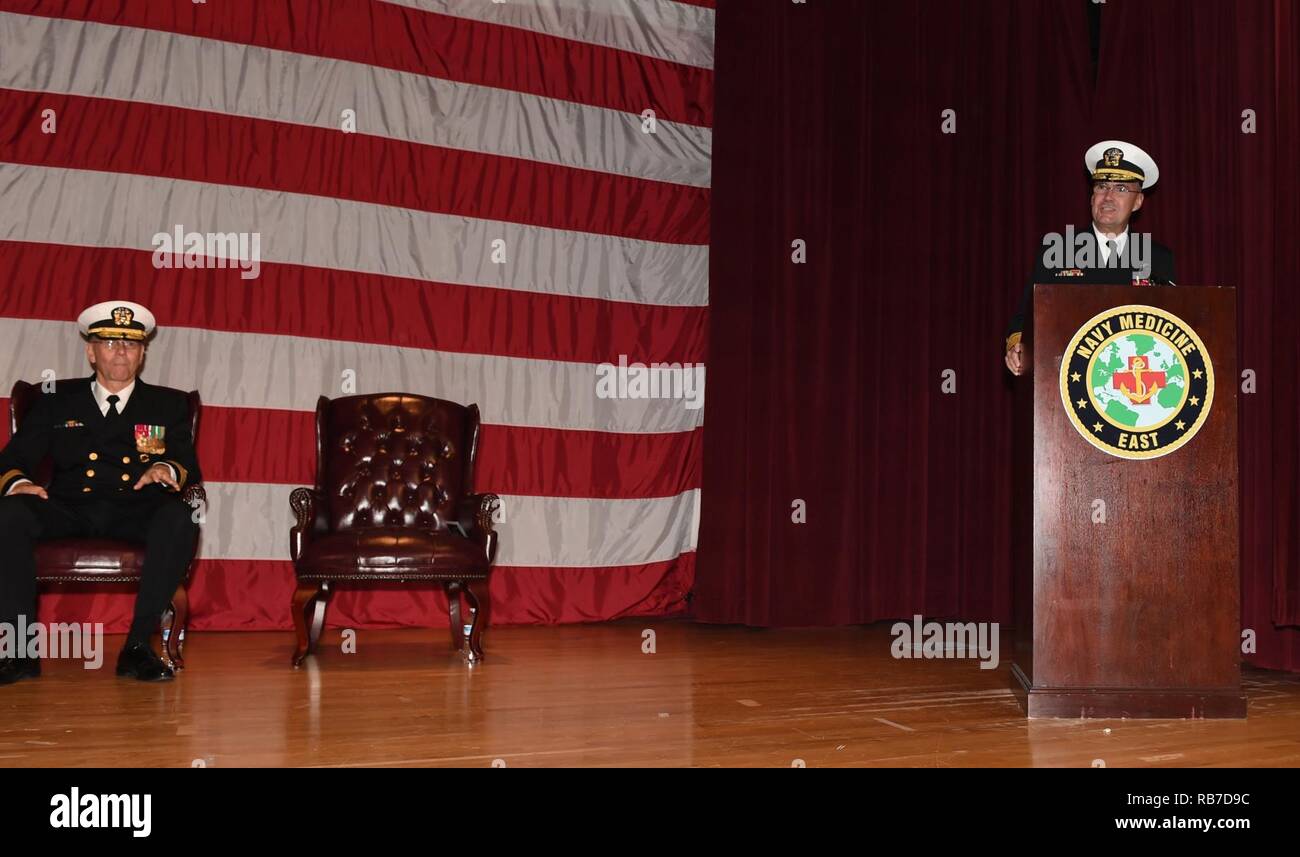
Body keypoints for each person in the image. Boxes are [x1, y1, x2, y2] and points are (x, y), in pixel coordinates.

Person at [0, 301, 202, 684]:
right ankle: (19, 651)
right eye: (109, 342)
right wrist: (18, 483)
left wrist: (166, 468)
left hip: (137, 508)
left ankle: (138, 648)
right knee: (9, 514)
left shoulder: (167, 404)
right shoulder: (56, 400)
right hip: (68, 506)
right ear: (90, 352)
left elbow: (187, 464)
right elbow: (12, 459)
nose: (121, 351)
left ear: (143, 353)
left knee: (181, 517)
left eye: (130, 343)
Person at [1005, 140, 1176, 375]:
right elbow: (1025, 317)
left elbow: (1170, 327)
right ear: (1091, 196)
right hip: (1064, 378)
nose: (1108, 197)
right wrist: (1017, 347)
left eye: (1121, 189)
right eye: (1101, 186)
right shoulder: (1057, 250)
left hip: (1129, 383)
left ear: (1137, 202)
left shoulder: (1157, 258)